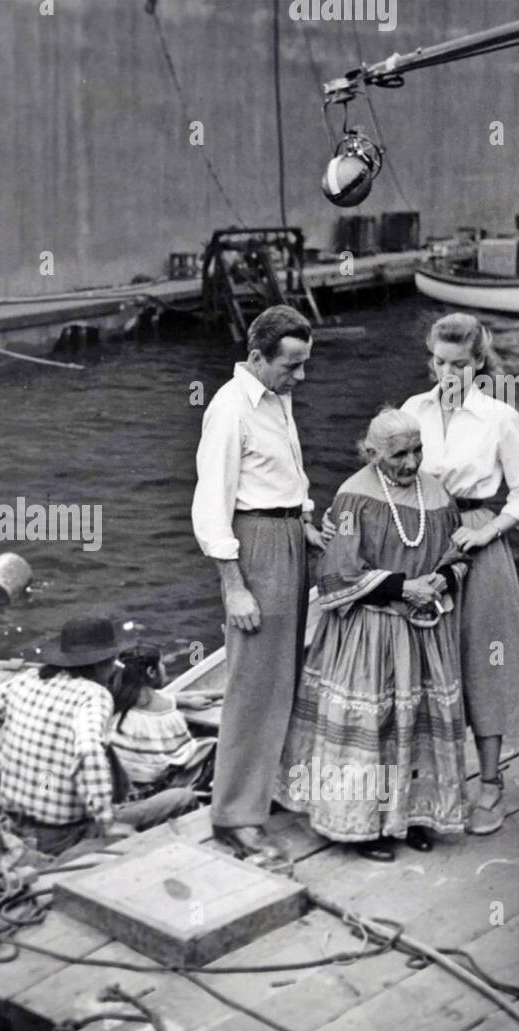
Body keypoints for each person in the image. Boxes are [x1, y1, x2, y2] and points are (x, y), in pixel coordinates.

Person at [279, 409, 471, 861]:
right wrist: (405, 587)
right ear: (372, 453)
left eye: (417, 450)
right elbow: (338, 574)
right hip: (370, 629)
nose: (411, 462)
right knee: (375, 723)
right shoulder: (352, 497)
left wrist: (443, 579)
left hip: (425, 628)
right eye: (398, 454)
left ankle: (415, 814)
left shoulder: (438, 493)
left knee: (419, 723)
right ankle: (364, 825)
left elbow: (457, 551)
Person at [399, 313, 519, 834]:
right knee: (421, 659)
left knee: (484, 660)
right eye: (439, 362)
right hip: (420, 536)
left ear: (478, 363)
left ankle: (489, 784)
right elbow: (387, 474)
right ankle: (428, 780)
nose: (447, 373)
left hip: (477, 538)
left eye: (459, 364)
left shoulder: (500, 417)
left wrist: (486, 532)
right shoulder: (411, 410)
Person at [191, 304, 326, 861]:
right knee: (253, 684)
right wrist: (234, 585)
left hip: (290, 535)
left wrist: (308, 522)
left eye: (304, 364)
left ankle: (270, 788)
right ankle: (235, 816)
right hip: (256, 546)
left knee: (288, 672)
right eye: (291, 365)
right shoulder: (230, 410)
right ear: (256, 358)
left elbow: (284, 474)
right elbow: (211, 502)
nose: (300, 376)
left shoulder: (279, 400)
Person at [0, 617, 197, 859]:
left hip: (15, 822)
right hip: (63, 835)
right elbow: (89, 751)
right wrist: (107, 820)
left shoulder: (27, 680)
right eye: (111, 661)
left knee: (50, 776)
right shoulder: (94, 696)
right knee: (183, 798)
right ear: (102, 663)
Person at [107, 643, 218, 792]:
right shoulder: (163, 708)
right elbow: (185, 753)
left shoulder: (121, 699)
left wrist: (194, 701)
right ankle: (202, 789)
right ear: (151, 672)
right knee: (215, 744)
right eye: (162, 664)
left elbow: (174, 697)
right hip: (156, 785)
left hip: (126, 781)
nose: (164, 669)